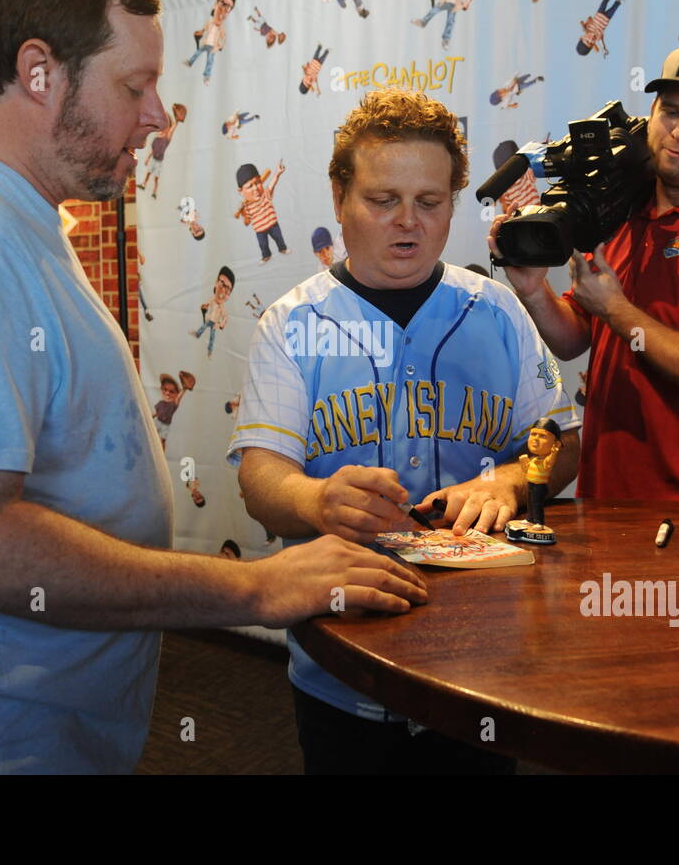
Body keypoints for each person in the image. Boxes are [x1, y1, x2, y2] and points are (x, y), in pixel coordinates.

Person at [0, 0, 425, 776]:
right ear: (40, 71)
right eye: (136, 85)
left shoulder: (2, 213)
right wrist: (258, 589)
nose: (156, 114)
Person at [230, 89, 582, 774]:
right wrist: (315, 500)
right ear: (339, 198)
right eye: (382, 198)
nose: (408, 223)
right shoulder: (291, 323)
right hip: (345, 663)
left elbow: (562, 441)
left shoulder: (498, 310)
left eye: (430, 201)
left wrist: (511, 479)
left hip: (481, 663)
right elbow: (258, 477)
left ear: (454, 201)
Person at [491, 42, 679, 503]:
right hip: (607, 497)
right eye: (670, 110)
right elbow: (575, 339)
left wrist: (615, 309)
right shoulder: (627, 209)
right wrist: (534, 292)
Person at [187, 0, 236, 83]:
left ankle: (207, 75)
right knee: (198, 53)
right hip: (206, 43)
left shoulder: (222, 29)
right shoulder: (209, 23)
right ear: (215, 4)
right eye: (222, 3)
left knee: (210, 60)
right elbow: (203, 30)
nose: (223, 10)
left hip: (212, 47)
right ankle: (190, 62)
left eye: (228, 7)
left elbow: (222, 40)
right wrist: (199, 33)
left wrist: (218, 46)